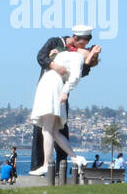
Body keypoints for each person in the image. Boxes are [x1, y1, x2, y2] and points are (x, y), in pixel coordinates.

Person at [30, 27, 101, 171]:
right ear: (75, 38)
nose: (83, 48)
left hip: (60, 91)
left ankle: (58, 166)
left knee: (58, 129)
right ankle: (40, 164)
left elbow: (81, 73)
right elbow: (40, 57)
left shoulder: (77, 54)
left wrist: (90, 56)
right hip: (47, 89)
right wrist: (54, 65)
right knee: (43, 131)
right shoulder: (55, 42)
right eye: (82, 44)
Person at [29, 47, 86, 174]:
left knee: (47, 129)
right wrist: (53, 55)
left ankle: (46, 164)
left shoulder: (78, 57)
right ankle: (76, 158)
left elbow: (75, 77)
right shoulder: (68, 54)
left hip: (52, 85)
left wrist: (66, 91)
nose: (83, 49)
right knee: (53, 131)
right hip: (49, 84)